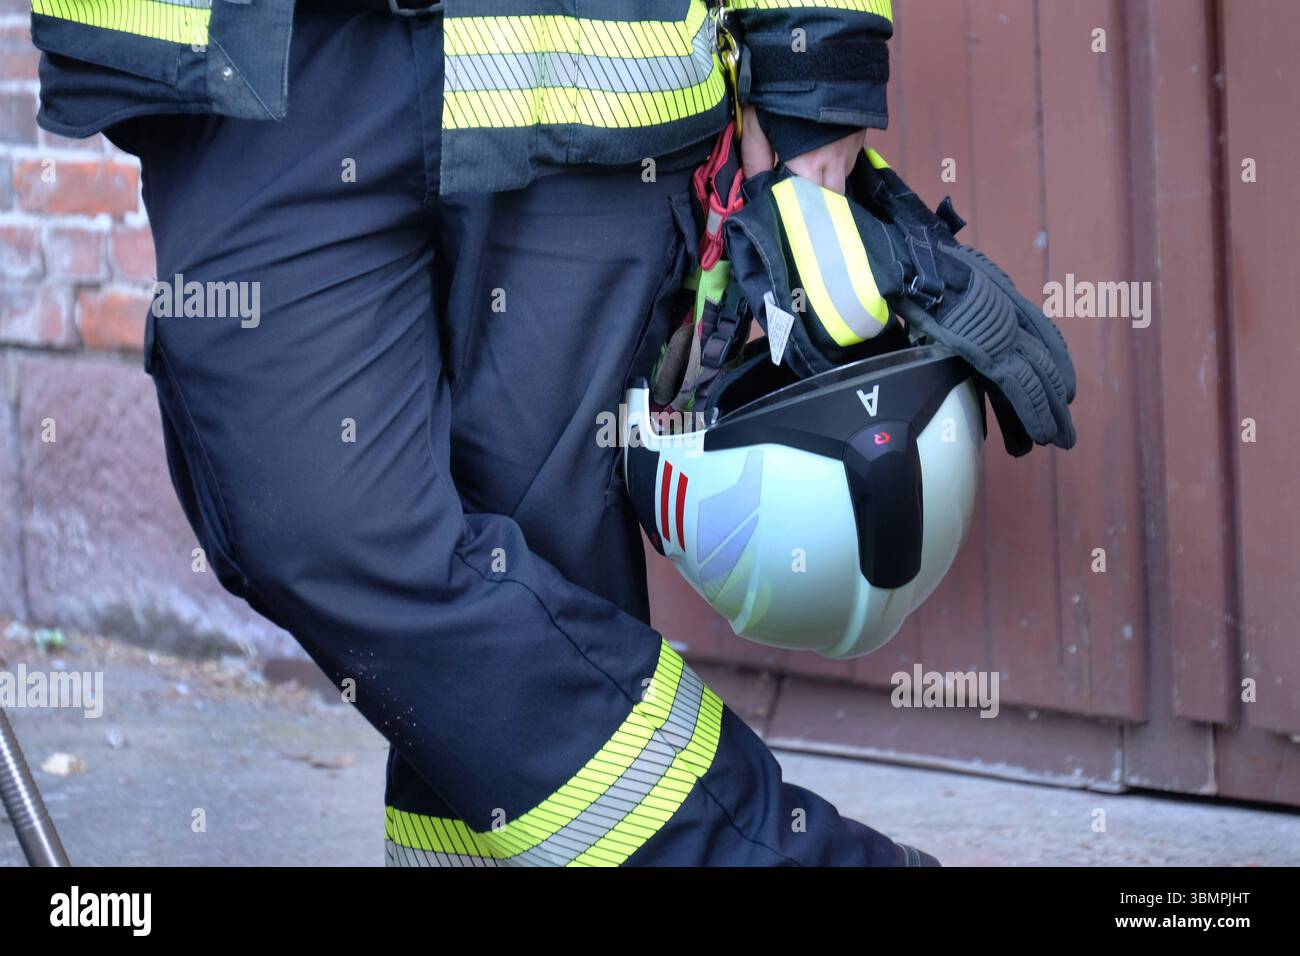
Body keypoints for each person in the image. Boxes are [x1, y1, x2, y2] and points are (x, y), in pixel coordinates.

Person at [30, 0, 935, 865]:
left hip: (585, 61)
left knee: (546, 566)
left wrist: (817, 49)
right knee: (318, 526)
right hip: (263, 66)